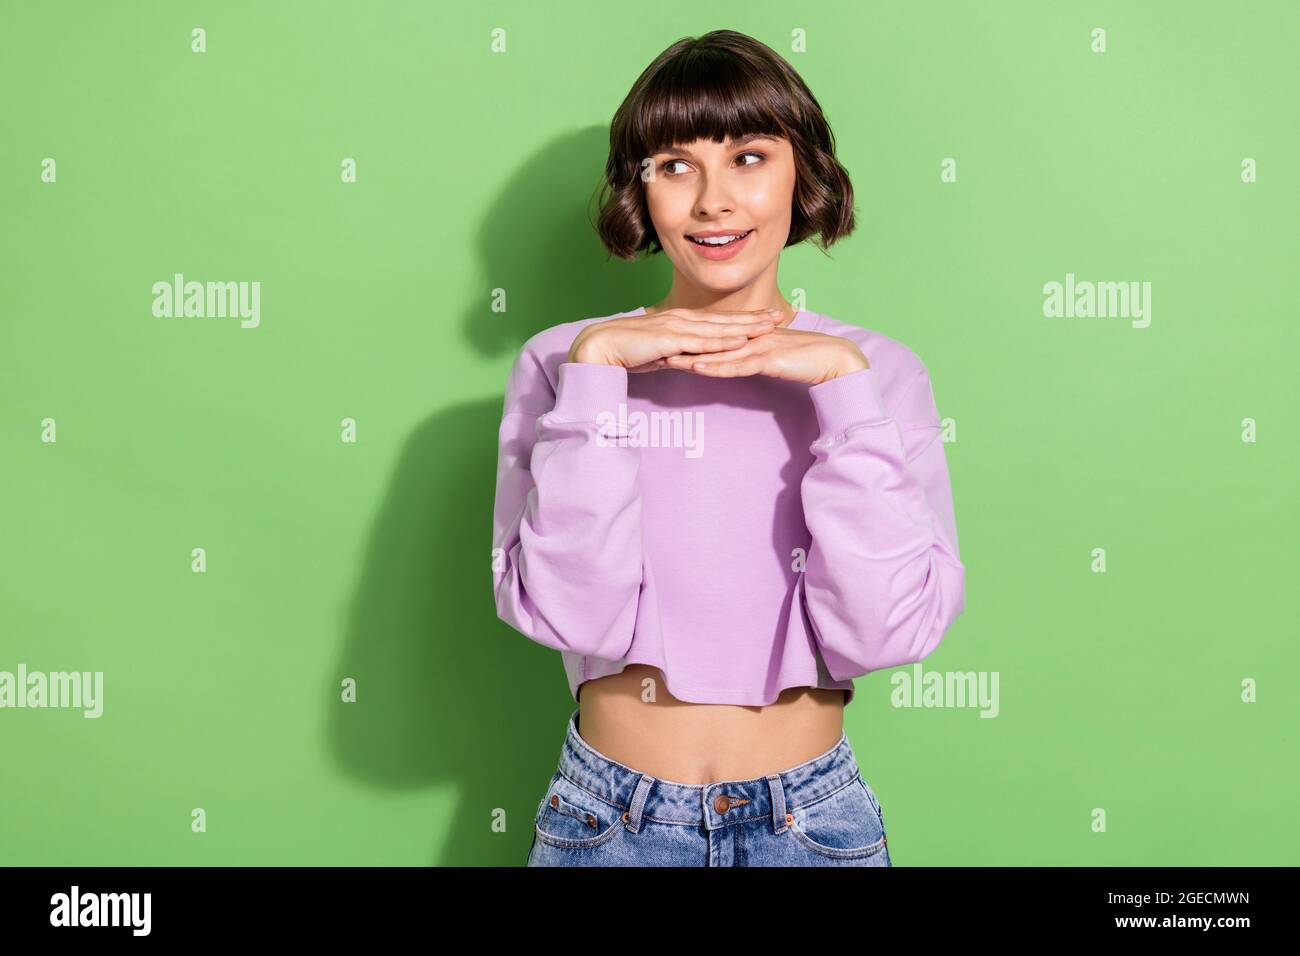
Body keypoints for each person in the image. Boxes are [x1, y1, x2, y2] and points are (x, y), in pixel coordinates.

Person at [492, 29, 965, 866]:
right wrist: (597, 374)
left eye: (748, 156)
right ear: (640, 191)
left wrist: (843, 391)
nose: (713, 200)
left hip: (811, 825)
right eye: (674, 165)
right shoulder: (566, 360)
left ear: (802, 174)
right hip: (607, 821)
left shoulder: (875, 371)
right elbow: (570, 612)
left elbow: (887, 631)